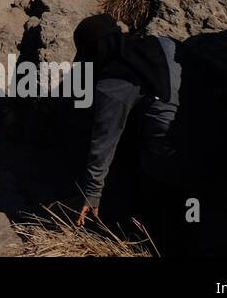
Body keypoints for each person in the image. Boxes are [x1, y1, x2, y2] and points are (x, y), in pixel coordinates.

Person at [72, 14, 181, 227]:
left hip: (174, 158)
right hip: (213, 127)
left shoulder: (112, 86)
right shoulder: (162, 43)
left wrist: (91, 193)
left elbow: (102, 145)